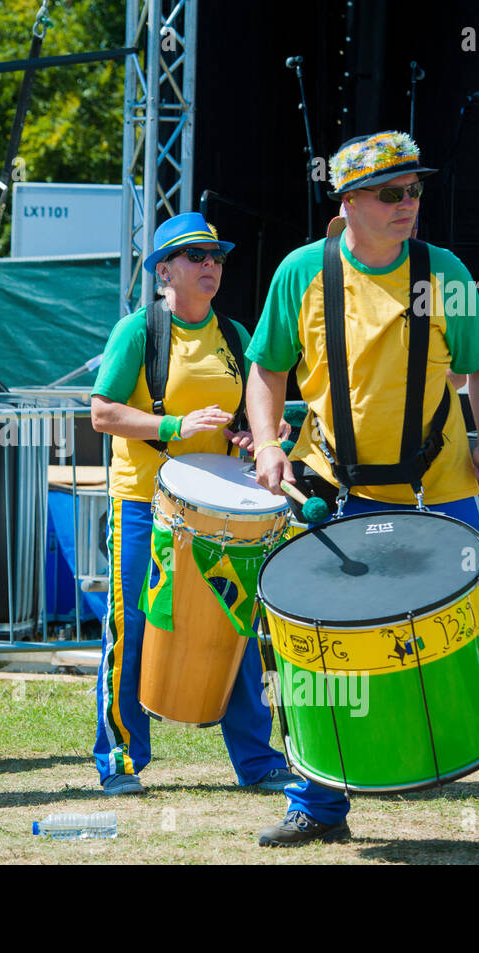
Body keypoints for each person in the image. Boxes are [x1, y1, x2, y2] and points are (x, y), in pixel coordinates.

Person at [245, 131, 479, 852]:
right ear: (348, 200)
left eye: (415, 190)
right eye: (391, 192)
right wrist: (266, 442)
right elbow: (267, 372)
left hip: (437, 490)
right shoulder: (301, 272)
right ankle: (317, 801)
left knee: (476, 644)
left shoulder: (442, 271)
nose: (408, 203)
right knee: (316, 653)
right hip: (332, 492)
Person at [89, 211, 299, 796]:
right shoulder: (139, 331)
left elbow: (255, 411)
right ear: (165, 271)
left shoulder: (235, 334)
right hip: (144, 504)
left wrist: (252, 436)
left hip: (224, 508)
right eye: (197, 256)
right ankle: (121, 760)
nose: (211, 265)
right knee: (132, 627)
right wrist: (174, 423)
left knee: (240, 628)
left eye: (216, 256)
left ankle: (257, 762)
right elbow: (102, 413)